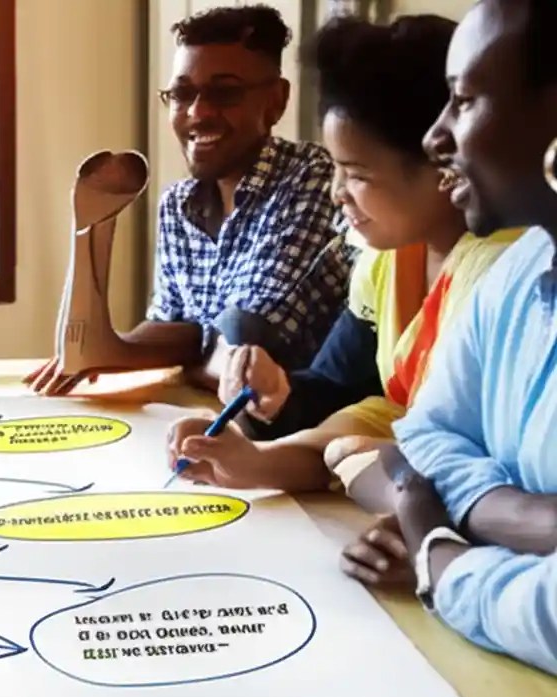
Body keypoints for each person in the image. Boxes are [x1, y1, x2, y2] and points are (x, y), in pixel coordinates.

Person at [163, 15, 521, 493]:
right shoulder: (389, 257)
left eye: (357, 174)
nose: (336, 193)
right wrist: (274, 405)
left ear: (443, 163)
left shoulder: (504, 276)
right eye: (335, 168)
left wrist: (299, 455)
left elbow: (447, 445)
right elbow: (341, 389)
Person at [338, 0, 557, 675]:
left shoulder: (494, 263)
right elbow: (426, 437)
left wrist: (439, 552)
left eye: (462, 101)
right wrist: (527, 519)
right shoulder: (524, 269)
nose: (437, 137)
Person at [26, 4, 350, 396]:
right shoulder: (177, 205)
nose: (198, 113)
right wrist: (101, 353)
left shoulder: (312, 180)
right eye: (181, 94)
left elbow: (247, 342)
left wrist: (125, 350)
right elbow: (172, 323)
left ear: (276, 101)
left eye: (225, 93)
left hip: (292, 435)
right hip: (204, 416)